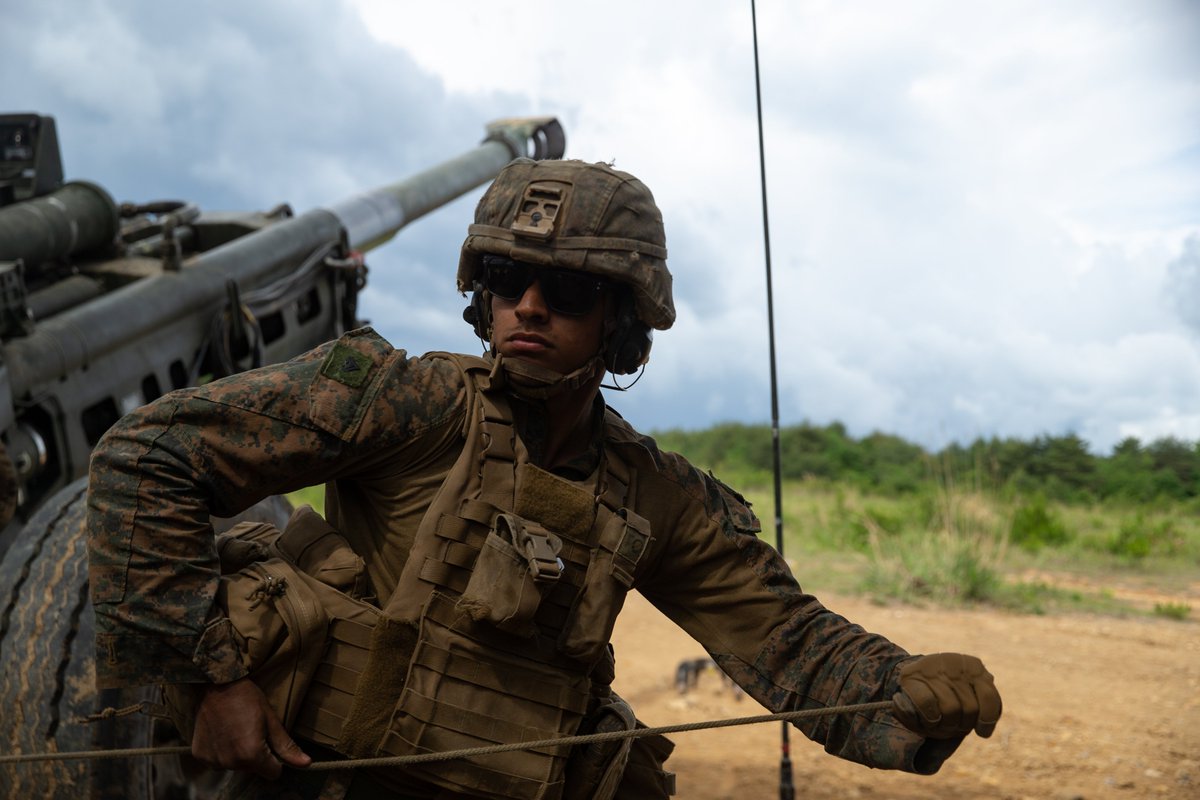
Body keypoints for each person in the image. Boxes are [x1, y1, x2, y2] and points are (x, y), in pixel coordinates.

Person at [86, 158, 1001, 799]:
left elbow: (787, 642)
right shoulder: (408, 401)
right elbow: (145, 456)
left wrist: (905, 681)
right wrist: (213, 677)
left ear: (622, 322)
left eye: (567, 292)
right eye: (508, 278)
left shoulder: (655, 494)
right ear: (481, 294)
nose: (529, 304)